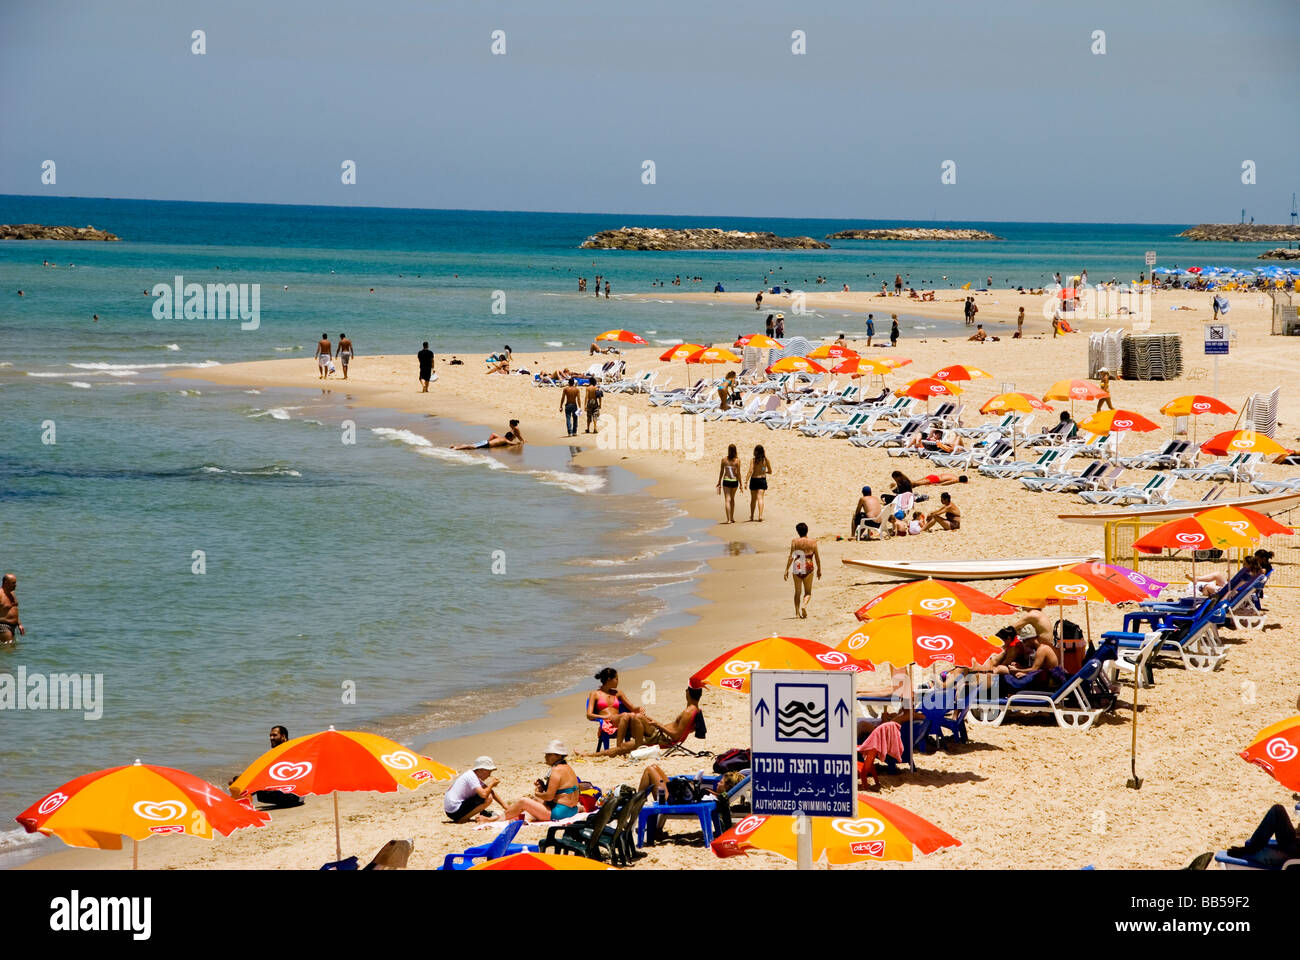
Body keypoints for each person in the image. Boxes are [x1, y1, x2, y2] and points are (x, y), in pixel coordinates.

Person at [585, 687, 704, 757]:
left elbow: (675, 735)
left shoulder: (688, 712)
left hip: (662, 737)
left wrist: (658, 724)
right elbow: (686, 730)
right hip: (658, 734)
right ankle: (591, 755)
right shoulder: (694, 710)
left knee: (635, 718)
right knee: (626, 739)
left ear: (688, 693)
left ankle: (591, 755)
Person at [497, 741, 581, 822]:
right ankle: (506, 814)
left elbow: (549, 797)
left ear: (558, 756)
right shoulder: (567, 768)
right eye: (546, 754)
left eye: (549, 755)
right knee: (534, 800)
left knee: (523, 801)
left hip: (560, 813)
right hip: (572, 810)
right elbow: (560, 790)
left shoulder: (556, 770)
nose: (545, 757)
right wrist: (543, 786)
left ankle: (495, 819)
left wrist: (537, 793)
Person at [229, 726, 305, 808]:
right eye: (270, 735)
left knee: (257, 788)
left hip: (293, 796)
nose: (271, 738)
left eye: (274, 735)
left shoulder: (286, 751)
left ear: (283, 737)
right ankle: (237, 800)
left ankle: (236, 802)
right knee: (246, 783)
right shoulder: (283, 750)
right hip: (296, 796)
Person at [586, 667, 646, 749]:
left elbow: (632, 708)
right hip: (607, 722)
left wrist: (639, 709)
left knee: (633, 716)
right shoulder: (595, 694)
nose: (618, 681)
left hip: (620, 721)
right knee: (625, 715)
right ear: (609, 679)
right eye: (616, 679)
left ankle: (650, 737)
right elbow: (589, 715)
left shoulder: (618, 693)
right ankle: (619, 747)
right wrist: (603, 717)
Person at [1227, 805, 1300, 866]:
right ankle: (1252, 848)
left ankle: (1248, 851)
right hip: (1294, 843)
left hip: (1296, 856)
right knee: (1277, 810)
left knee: (1263, 855)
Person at [444, 757, 504, 823]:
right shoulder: (471, 776)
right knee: (488, 797)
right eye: (489, 772)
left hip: (450, 810)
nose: (489, 775)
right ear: (481, 770)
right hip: (454, 811)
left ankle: (467, 815)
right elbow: (484, 795)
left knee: (487, 792)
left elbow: (491, 791)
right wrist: (492, 784)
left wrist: (505, 806)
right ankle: (462, 819)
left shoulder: (472, 775)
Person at [785, 522, 821, 618]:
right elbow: (817, 557)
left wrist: (786, 570)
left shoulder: (794, 542)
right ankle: (804, 605)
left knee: (797, 592)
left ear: (798, 532)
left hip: (798, 565)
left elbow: (791, 556)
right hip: (808, 565)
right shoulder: (813, 542)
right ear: (807, 530)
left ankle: (797, 614)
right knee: (808, 592)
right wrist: (819, 570)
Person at [747, 444, 772, 522]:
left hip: (754, 479)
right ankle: (760, 516)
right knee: (760, 498)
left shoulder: (753, 460)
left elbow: (751, 470)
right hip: (762, 479)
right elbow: (770, 471)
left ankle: (751, 516)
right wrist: (765, 471)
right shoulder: (766, 460)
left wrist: (746, 480)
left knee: (753, 499)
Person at [717, 444, 741, 523]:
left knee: (727, 499)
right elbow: (738, 473)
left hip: (726, 480)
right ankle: (732, 517)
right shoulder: (737, 460)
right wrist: (740, 483)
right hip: (734, 481)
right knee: (732, 499)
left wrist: (719, 482)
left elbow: (721, 472)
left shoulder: (724, 459)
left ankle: (728, 519)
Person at [0, 573, 23, 644]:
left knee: (11, 649)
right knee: (9, 649)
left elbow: (13, 609)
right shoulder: (0, 594)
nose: (15, 585)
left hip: (13, 626)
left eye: (15, 583)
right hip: (3, 626)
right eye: (13, 583)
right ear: (6, 583)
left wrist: (19, 624)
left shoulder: (12, 593)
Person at [450, 432, 520, 450]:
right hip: (487, 444)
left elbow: (493, 434)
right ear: (509, 437)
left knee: (472, 446)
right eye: (512, 438)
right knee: (473, 447)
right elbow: (513, 444)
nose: (512, 439)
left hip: (486, 442)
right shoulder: (505, 440)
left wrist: (489, 440)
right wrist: (520, 443)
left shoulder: (501, 437)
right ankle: (456, 448)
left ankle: (456, 446)